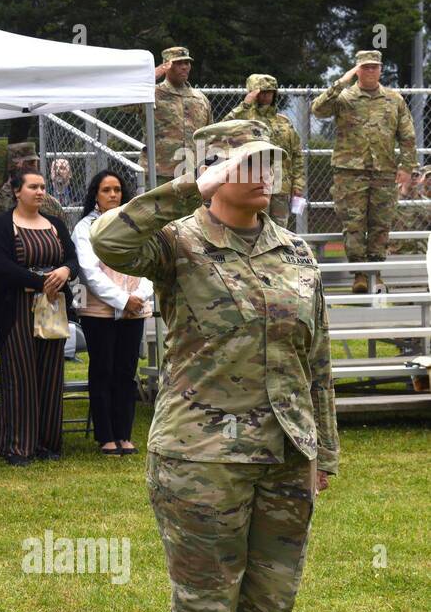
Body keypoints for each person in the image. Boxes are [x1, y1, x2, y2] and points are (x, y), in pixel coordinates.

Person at [91, 119, 338, 612]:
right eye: (247, 163)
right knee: (207, 609)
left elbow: (317, 359)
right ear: (214, 171)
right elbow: (108, 243)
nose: (264, 175)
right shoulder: (178, 243)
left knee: (270, 605)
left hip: (283, 456)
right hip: (202, 458)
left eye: (270, 162)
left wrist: (323, 452)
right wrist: (188, 189)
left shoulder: (295, 250)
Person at [0, 170, 79, 465]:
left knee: (51, 375)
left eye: (43, 187)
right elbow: (1, 266)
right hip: (16, 310)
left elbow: (72, 258)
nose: (40, 192)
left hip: (52, 309)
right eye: (33, 187)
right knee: (20, 376)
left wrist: (65, 271)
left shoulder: (55, 224)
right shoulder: (2, 225)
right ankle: (17, 446)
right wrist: (42, 282)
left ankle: (47, 443)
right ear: (17, 191)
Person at [310, 50, 416, 293]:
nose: (370, 71)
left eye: (374, 67)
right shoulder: (344, 98)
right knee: (354, 225)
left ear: (380, 69)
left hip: (384, 172)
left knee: (381, 225)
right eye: (365, 67)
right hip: (349, 173)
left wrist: (407, 167)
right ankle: (359, 274)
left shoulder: (394, 99)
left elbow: (407, 137)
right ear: (357, 70)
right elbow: (318, 109)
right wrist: (341, 82)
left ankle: (375, 274)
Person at [71, 169, 152, 455]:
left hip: (135, 309)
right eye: (106, 190)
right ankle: (106, 436)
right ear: (96, 195)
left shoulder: (137, 225)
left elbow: (150, 263)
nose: (113, 195)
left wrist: (138, 296)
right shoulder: (85, 228)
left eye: (117, 189)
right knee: (103, 370)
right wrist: (121, 299)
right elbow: (89, 272)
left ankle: (124, 434)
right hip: (99, 312)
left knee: (126, 372)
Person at [222, 75, 304, 229]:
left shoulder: (284, 122)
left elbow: (296, 154)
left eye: (270, 92)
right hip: (254, 185)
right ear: (252, 93)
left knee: (279, 229)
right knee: (254, 227)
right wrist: (245, 105)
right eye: (262, 92)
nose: (266, 96)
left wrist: (298, 183)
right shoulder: (244, 119)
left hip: (281, 185)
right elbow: (222, 129)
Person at [125, 46, 212, 182]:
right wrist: (150, 77)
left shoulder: (200, 99)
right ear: (167, 66)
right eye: (178, 63)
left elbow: (208, 135)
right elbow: (124, 103)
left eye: (187, 63)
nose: (184, 67)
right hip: (159, 173)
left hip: (192, 173)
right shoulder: (151, 93)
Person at [0, 141, 65, 222]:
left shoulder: (50, 203)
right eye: (30, 163)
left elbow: (63, 231)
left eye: (32, 163)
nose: (33, 168)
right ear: (16, 165)